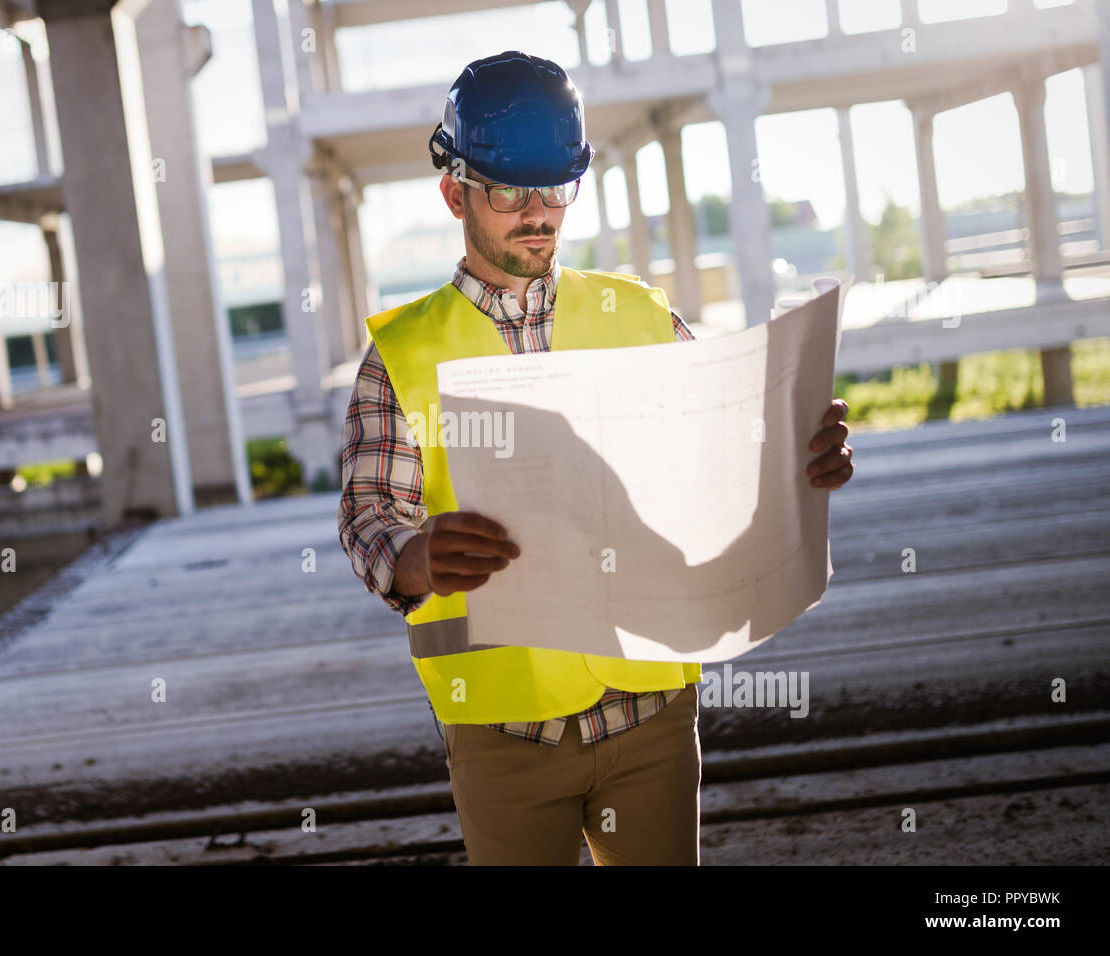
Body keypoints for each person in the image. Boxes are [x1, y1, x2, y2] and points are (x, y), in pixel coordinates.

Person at [337, 50, 854, 866]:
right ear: (455, 190)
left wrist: (798, 455)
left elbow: (718, 447)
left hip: (651, 719)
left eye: (556, 188)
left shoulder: (638, 315)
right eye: (510, 191)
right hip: (505, 737)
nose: (538, 214)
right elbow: (370, 520)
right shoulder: (402, 354)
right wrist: (418, 555)